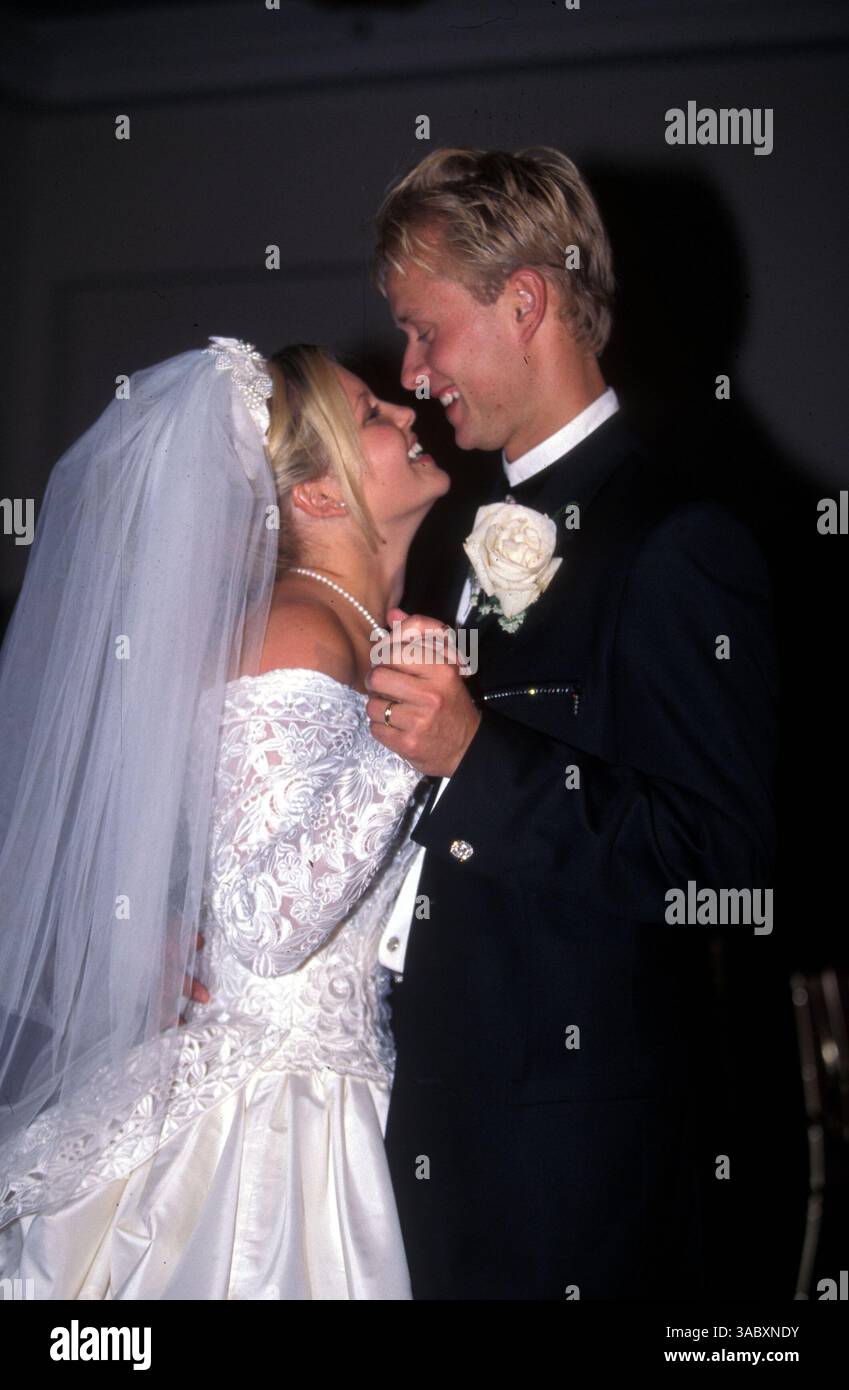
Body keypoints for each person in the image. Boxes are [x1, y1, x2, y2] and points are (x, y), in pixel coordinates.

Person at [364, 147, 778, 1299]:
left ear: (526, 301)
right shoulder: (449, 536)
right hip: (429, 1129)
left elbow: (726, 863)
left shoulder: (678, 539)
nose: (412, 369)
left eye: (425, 330)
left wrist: (480, 759)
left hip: (568, 1177)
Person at [0, 335, 449, 1299]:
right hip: (283, 1122)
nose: (409, 413)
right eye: (373, 416)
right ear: (319, 498)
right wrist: (405, 736)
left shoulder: (355, 632)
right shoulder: (299, 631)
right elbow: (269, 920)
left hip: (357, 1081)